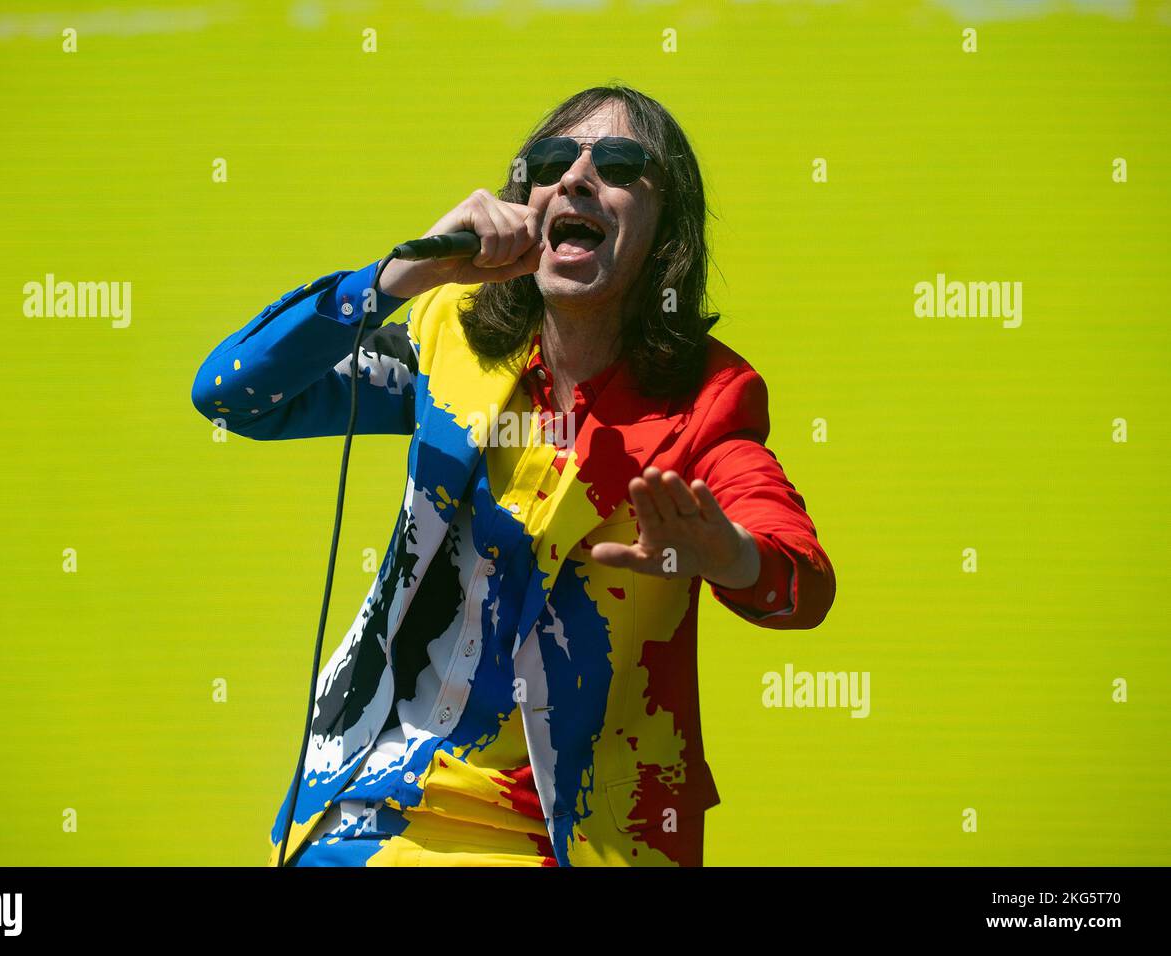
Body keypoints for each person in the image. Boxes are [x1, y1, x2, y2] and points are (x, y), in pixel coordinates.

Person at [190, 83, 836, 867]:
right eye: (554, 160)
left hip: (555, 839)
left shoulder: (706, 402)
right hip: (363, 807)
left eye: (622, 164)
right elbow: (232, 395)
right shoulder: (447, 341)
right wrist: (401, 275)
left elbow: (799, 584)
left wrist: (725, 553)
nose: (576, 177)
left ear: (667, 230)